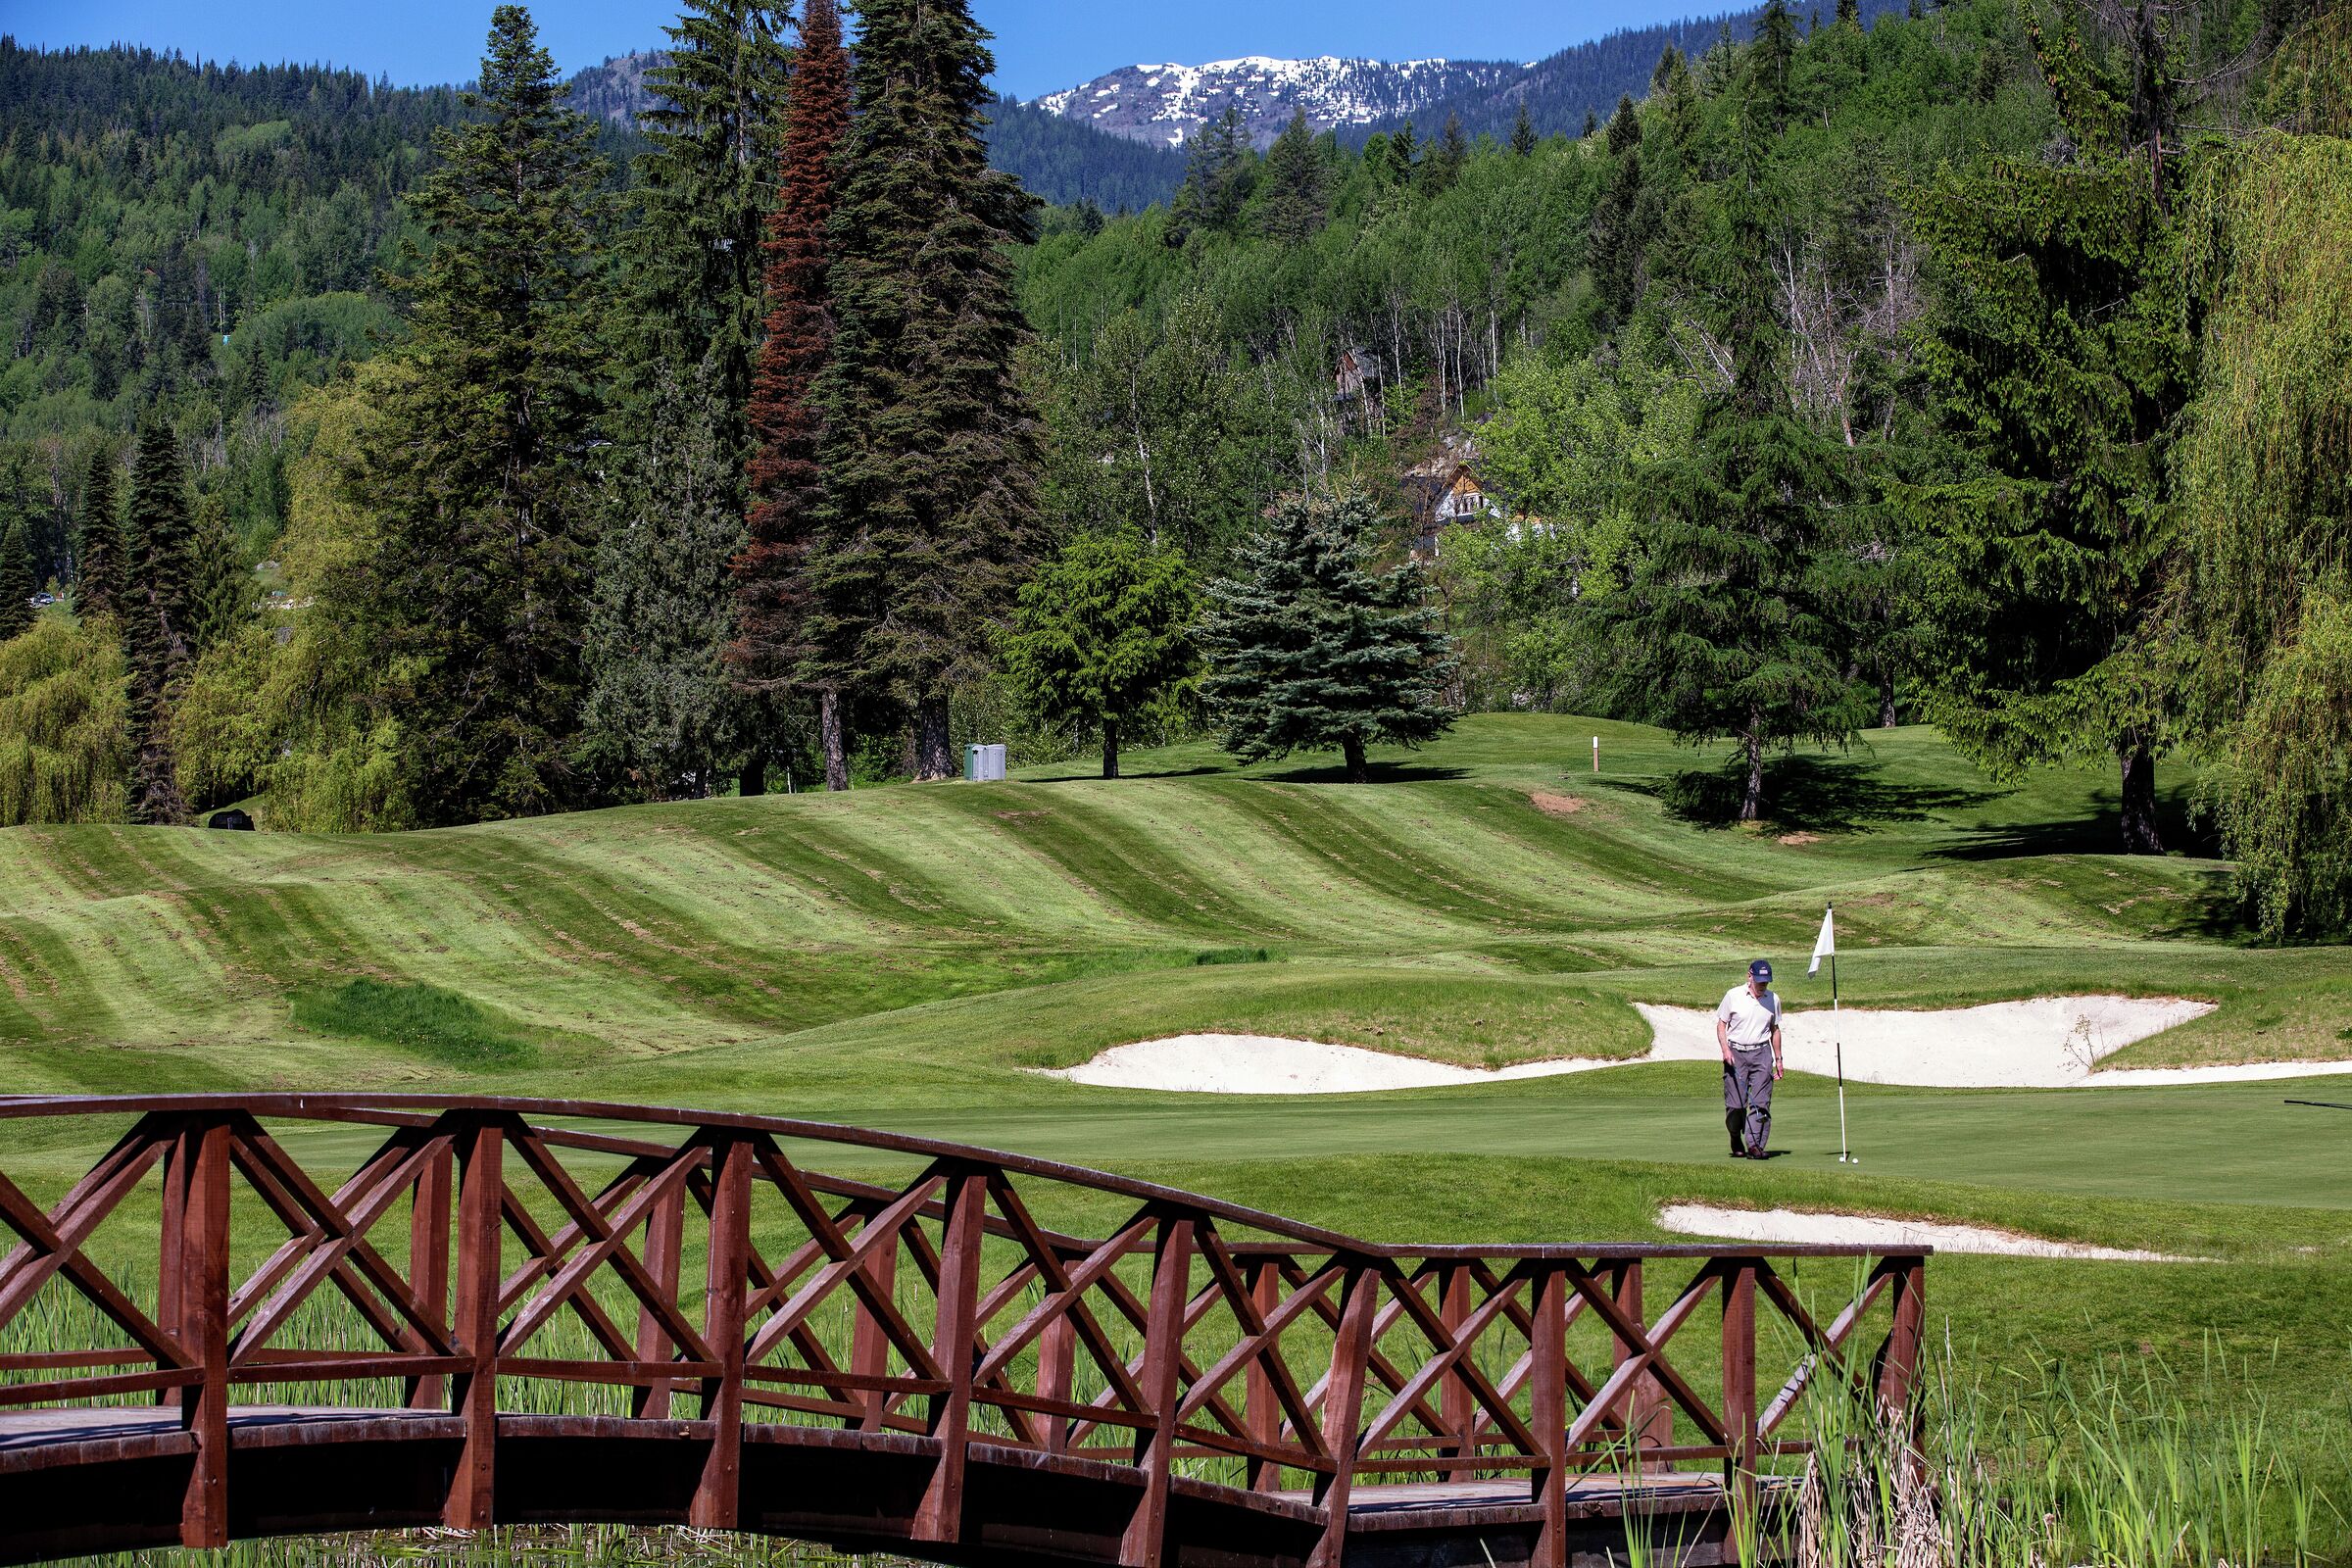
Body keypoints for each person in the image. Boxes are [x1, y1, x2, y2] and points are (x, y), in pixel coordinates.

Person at [1716, 958, 1786, 1158]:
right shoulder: (1733, 996)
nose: (1763, 985)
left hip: (1762, 1054)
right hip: (1735, 1053)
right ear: (1750, 976)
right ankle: (1734, 1134)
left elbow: (1775, 1030)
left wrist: (1779, 1059)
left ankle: (1755, 1146)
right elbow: (1721, 1025)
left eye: (1766, 981)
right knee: (1736, 1105)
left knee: (1761, 1103)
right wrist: (1725, 1049)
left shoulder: (1773, 999)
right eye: (1760, 981)